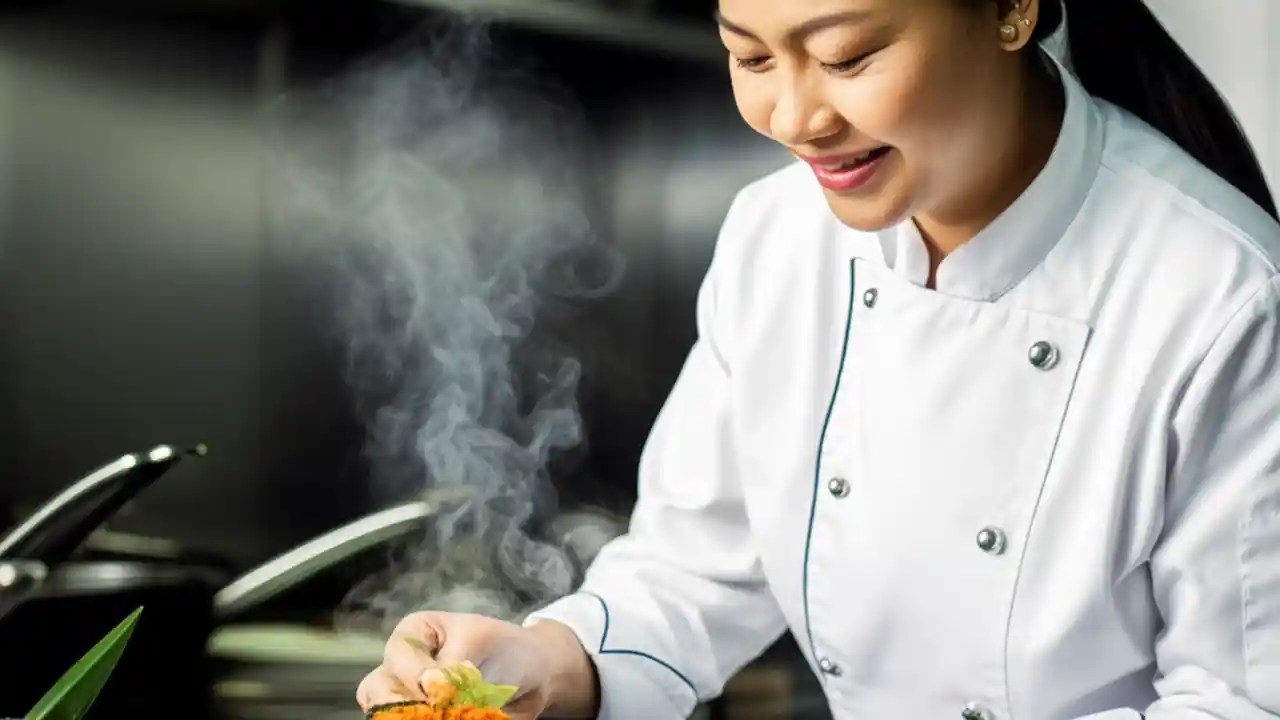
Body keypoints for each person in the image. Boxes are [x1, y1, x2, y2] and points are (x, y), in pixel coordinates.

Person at [357, 0, 1280, 717]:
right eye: (749, 55)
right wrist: (549, 665)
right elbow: (691, 570)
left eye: (847, 57)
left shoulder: (1221, 293)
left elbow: (1242, 702)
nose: (793, 115)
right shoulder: (777, 234)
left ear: (1011, 9)